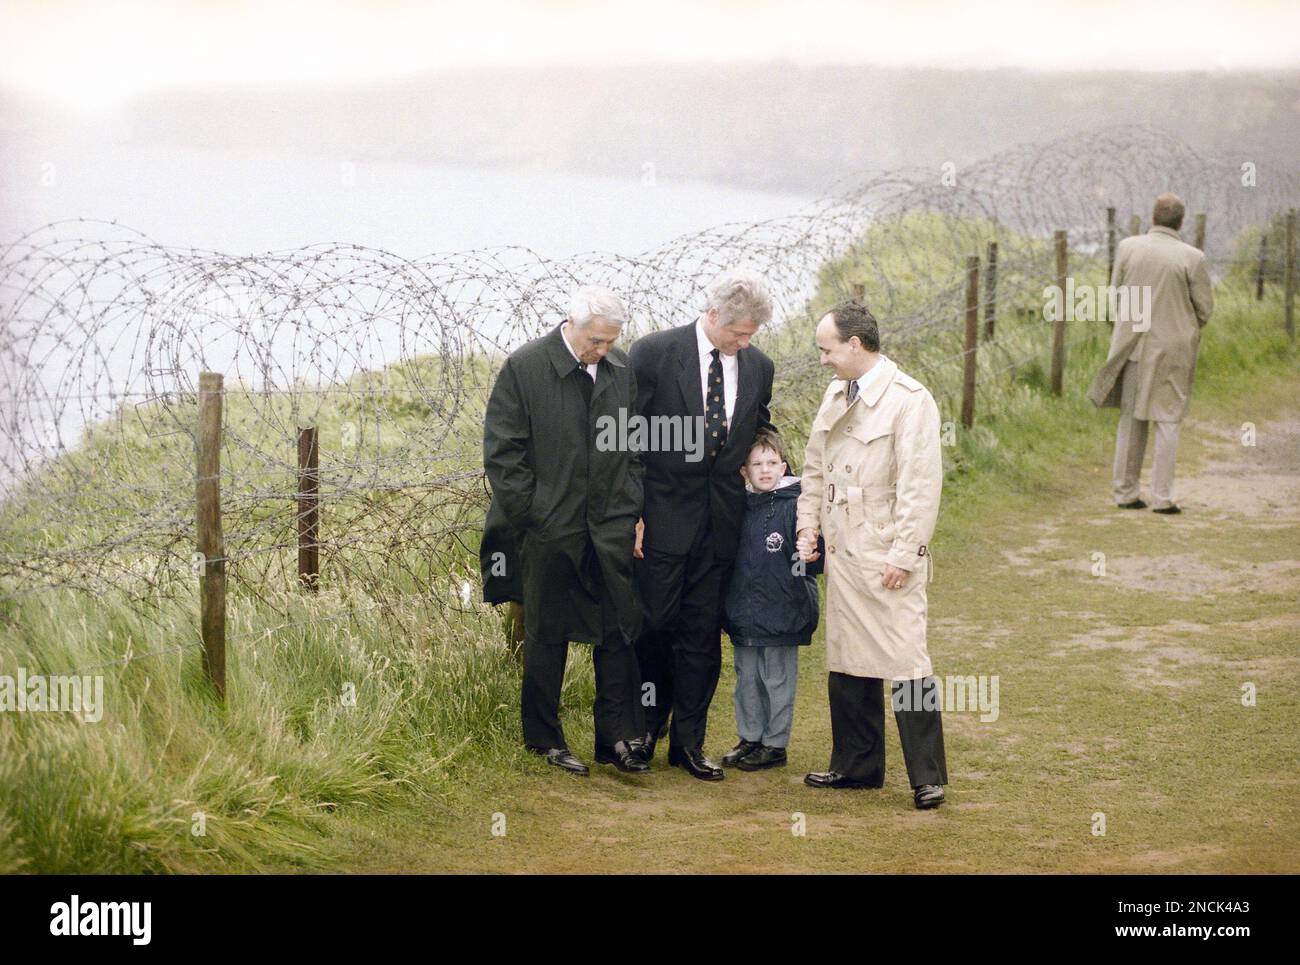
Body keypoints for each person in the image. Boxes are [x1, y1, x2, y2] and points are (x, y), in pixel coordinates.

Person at [481, 285, 647, 776]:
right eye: (596, 341)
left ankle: (615, 739)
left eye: (611, 342)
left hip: (610, 526)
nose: (604, 351)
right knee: (546, 633)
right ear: (570, 325)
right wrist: (539, 516)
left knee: (617, 630)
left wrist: (630, 509)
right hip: (549, 530)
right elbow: (503, 455)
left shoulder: (620, 371)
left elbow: (632, 448)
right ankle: (544, 739)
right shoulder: (525, 367)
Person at [795, 301, 948, 809]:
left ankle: (927, 776)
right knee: (848, 656)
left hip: (885, 552)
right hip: (842, 549)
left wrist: (905, 555)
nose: (822, 360)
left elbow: (920, 487)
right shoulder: (836, 393)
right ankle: (855, 766)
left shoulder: (910, 400)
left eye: (827, 349)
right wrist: (807, 526)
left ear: (854, 345)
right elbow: (814, 468)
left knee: (906, 659)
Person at [628, 268, 776, 780]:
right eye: (738, 331)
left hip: (721, 527)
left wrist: (774, 474)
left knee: (701, 637)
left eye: (752, 334)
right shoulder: (653, 353)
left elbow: (760, 428)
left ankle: (688, 745)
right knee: (653, 627)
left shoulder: (759, 365)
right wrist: (633, 513)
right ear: (713, 315)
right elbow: (627, 439)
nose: (744, 341)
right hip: (662, 518)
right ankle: (644, 731)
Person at [1087, 192, 1214, 514]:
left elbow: (1114, 296)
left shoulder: (1128, 248)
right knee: (1167, 420)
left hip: (1132, 346)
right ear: (1181, 222)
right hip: (1172, 349)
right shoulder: (1192, 257)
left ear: (1153, 217)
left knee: (1131, 420)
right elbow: (1204, 309)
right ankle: (1162, 497)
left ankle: (1125, 492)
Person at [720, 428, 823, 771]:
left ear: (784, 467)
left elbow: (815, 559)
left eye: (772, 462)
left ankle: (775, 744)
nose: (765, 470)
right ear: (743, 471)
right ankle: (750, 738)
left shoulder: (797, 506)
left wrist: (810, 553)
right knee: (746, 678)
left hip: (784, 610)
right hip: (744, 612)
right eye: (756, 463)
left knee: (776, 679)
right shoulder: (737, 506)